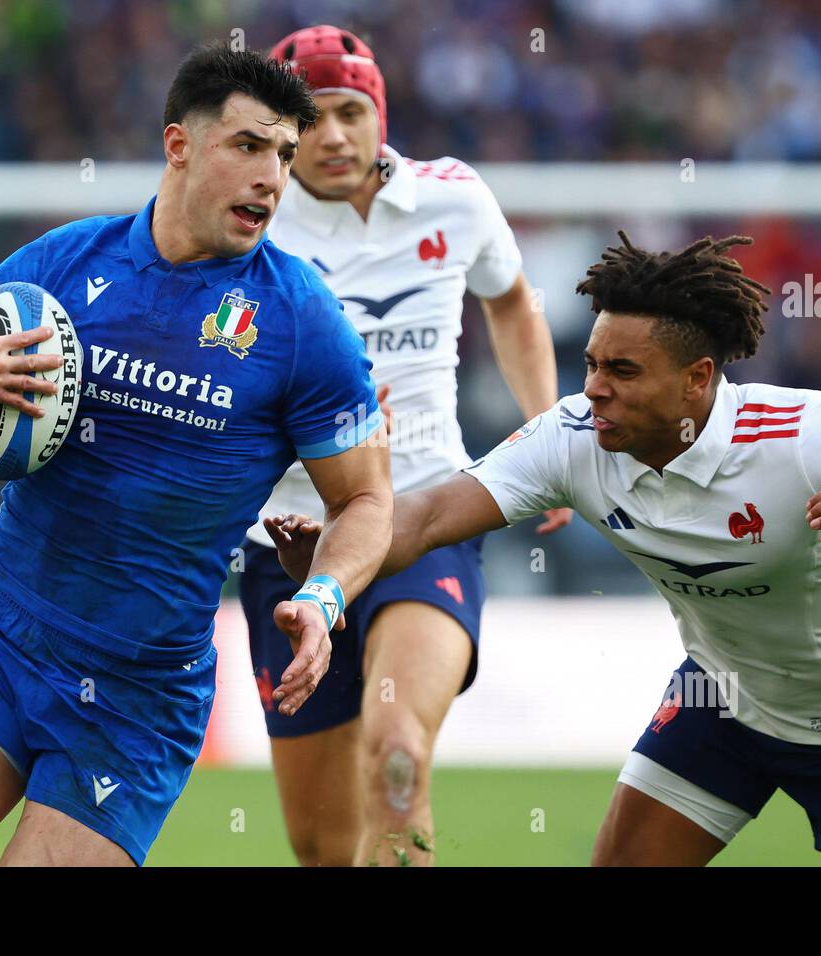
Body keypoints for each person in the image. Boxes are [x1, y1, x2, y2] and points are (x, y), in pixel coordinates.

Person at [265, 230, 821, 867]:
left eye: (622, 371)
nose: (595, 387)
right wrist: (335, 568)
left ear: (698, 380)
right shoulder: (573, 437)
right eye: (594, 363)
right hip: (721, 704)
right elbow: (426, 518)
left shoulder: (805, 433)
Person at [0, 44, 393, 867]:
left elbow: (365, 500)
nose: (272, 177)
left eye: (283, 154)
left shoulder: (302, 325)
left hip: (139, 693)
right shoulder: (53, 272)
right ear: (179, 145)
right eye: (247, 146)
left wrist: (323, 596)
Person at [238, 24, 568, 866]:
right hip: (290, 546)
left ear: (379, 113)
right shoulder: (248, 228)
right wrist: (314, 417)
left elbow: (513, 301)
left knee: (395, 754)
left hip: (422, 514)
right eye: (310, 119)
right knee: (322, 846)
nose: (335, 135)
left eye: (351, 111)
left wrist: (548, 425)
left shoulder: (454, 197)